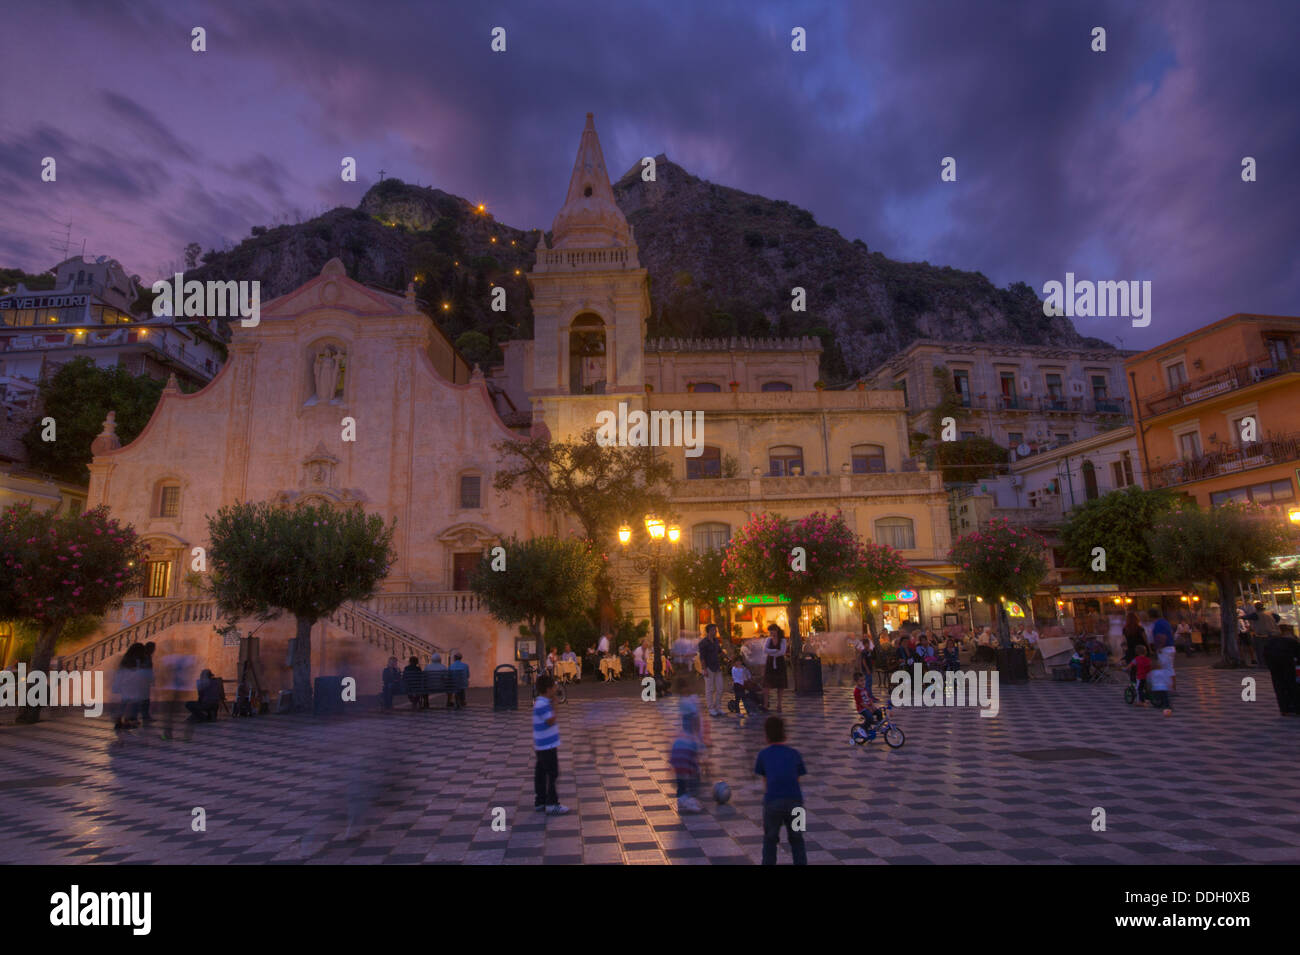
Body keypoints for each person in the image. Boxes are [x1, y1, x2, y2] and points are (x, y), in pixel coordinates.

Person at [754, 716, 808, 866]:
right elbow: (797, 779)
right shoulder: (794, 753)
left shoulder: (763, 755)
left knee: (770, 840)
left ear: (766, 736)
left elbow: (766, 781)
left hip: (773, 803)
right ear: (784, 733)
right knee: (798, 840)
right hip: (796, 804)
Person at [532, 675, 568, 815]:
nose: (556, 688)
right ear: (548, 689)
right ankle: (552, 803)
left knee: (540, 773)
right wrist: (555, 705)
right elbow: (551, 720)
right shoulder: (542, 704)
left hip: (542, 745)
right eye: (554, 686)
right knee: (552, 773)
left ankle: (540, 801)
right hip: (547, 746)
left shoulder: (541, 702)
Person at [1261, 626, 1300, 715]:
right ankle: (1296, 707)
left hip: (1273, 664)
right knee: (1291, 684)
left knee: (1278, 685)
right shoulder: (1292, 641)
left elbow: (1265, 654)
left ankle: (1284, 709)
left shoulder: (1271, 641)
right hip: (1286, 663)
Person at [699, 623, 725, 717]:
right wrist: (704, 669)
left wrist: (728, 658)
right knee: (709, 689)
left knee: (720, 688)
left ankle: (718, 707)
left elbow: (719, 651)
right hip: (708, 668)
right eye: (714, 630)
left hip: (717, 667)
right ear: (709, 631)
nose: (716, 632)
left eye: (716, 630)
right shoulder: (703, 643)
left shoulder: (716, 641)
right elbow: (702, 657)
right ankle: (711, 708)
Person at [762, 624, 788, 713]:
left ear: (777, 630)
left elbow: (782, 652)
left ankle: (779, 705)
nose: (771, 633)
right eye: (770, 631)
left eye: (772, 631)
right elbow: (765, 650)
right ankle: (765, 705)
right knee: (766, 685)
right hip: (770, 663)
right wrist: (774, 651)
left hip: (780, 663)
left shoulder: (783, 640)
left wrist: (773, 653)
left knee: (780, 686)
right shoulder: (768, 640)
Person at [1148, 639, 1175, 714]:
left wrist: (1150, 685)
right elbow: (1167, 679)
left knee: (1157, 696)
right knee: (1165, 697)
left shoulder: (1152, 673)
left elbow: (1150, 679)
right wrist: (1170, 686)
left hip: (1156, 687)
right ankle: (1167, 705)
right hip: (1164, 687)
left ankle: (1158, 703)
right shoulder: (1164, 672)